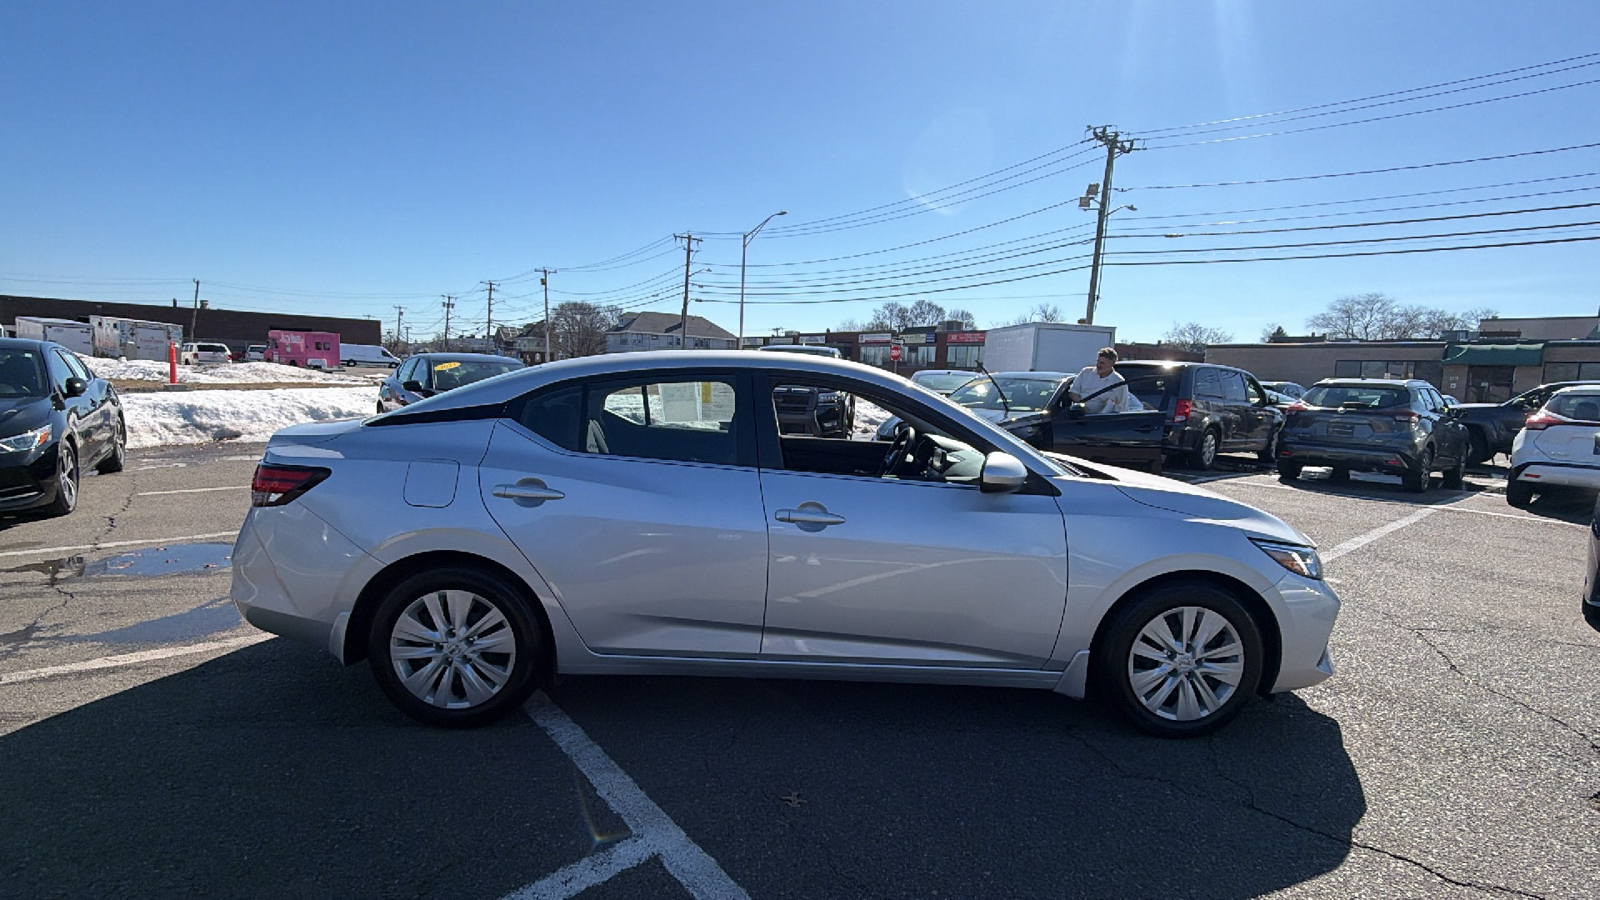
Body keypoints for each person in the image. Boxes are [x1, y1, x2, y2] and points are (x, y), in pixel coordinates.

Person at [1070, 347, 1129, 414]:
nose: (1098, 365)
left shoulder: (1119, 382)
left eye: (1102, 363)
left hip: (1101, 419)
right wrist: (1081, 406)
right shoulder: (1086, 372)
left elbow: (1121, 408)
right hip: (1079, 415)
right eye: (1098, 361)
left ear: (1112, 364)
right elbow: (1073, 392)